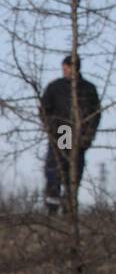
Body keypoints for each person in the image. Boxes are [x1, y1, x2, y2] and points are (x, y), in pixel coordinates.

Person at [42, 53, 101, 214]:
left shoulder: (88, 89)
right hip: (63, 131)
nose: (64, 71)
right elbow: (45, 110)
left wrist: (88, 136)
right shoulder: (55, 87)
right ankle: (52, 207)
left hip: (80, 134)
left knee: (74, 172)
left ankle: (69, 208)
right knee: (56, 169)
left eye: (66, 68)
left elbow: (95, 114)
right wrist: (51, 128)